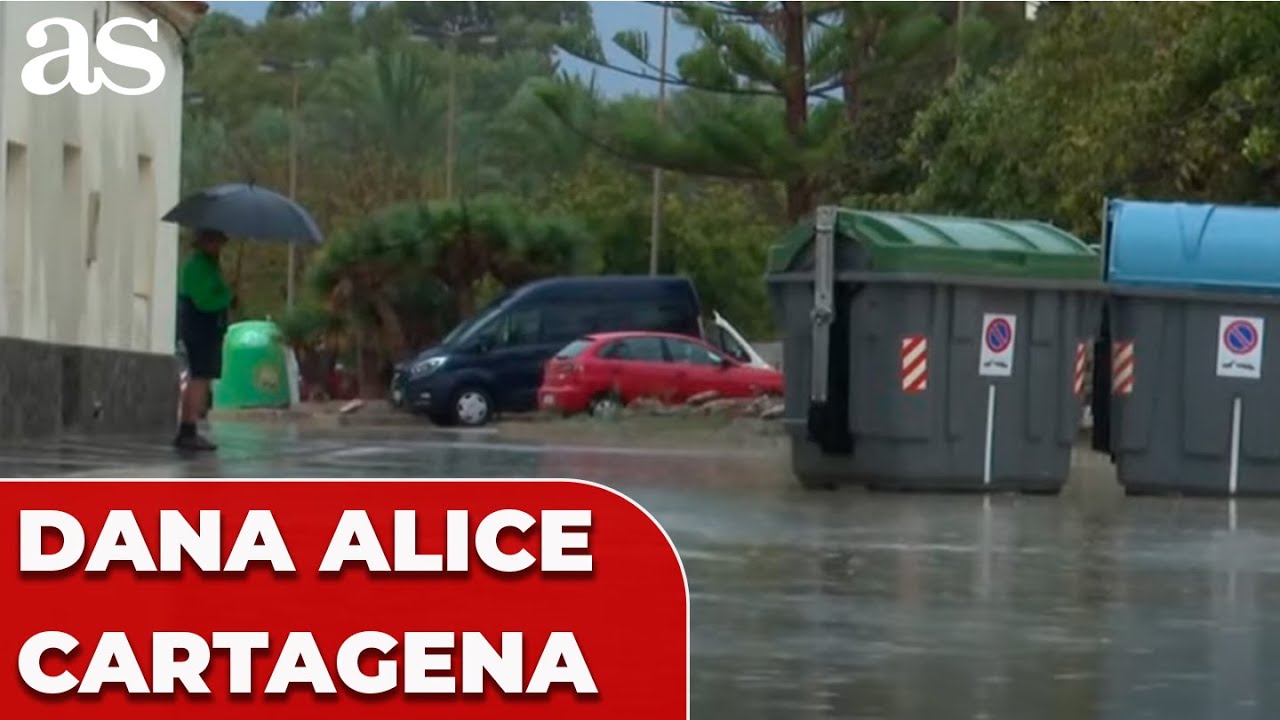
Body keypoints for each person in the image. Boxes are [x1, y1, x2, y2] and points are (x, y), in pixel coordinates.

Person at [175, 228, 233, 450]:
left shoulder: (208, 266)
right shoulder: (198, 267)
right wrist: (227, 296)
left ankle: (189, 429)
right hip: (200, 327)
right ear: (205, 243)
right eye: (216, 242)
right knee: (199, 377)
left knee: (201, 377)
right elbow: (205, 301)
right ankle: (187, 429)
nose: (219, 247)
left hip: (206, 327)